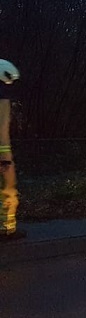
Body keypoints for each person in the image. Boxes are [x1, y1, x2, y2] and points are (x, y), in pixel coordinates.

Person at [0, 59, 23, 240]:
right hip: (3, 158)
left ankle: (7, 229)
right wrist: (5, 160)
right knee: (8, 193)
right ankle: (6, 231)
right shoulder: (2, 103)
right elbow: (2, 134)